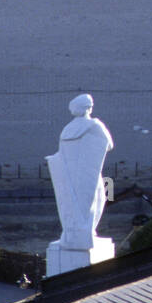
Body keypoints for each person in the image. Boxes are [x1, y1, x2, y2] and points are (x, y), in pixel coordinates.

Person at [47, 94, 114, 250]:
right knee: (96, 200)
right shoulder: (95, 125)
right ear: (88, 108)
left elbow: (62, 153)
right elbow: (109, 144)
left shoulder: (66, 130)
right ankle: (87, 232)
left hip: (69, 175)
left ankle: (76, 233)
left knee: (73, 203)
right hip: (88, 172)